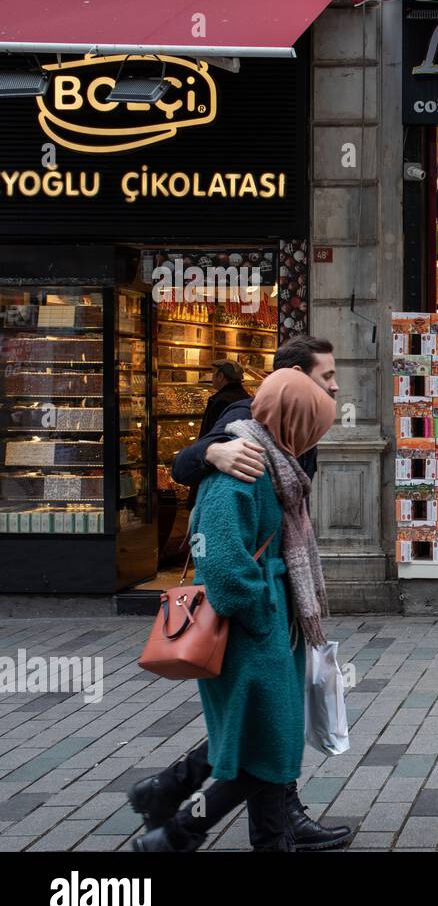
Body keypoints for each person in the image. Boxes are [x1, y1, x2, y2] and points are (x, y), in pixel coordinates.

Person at [131, 335, 350, 851]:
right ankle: (181, 831)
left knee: (263, 740)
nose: (335, 388)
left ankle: (250, 829)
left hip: (274, 627)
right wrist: (265, 612)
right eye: (326, 381)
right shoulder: (244, 465)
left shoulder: (280, 454)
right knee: (264, 746)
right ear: (295, 402)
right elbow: (225, 563)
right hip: (256, 632)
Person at [173, 335, 339, 488]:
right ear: (297, 374)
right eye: (326, 376)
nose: (335, 386)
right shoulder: (247, 416)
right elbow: (181, 468)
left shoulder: (304, 426)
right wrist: (211, 452)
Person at [200, 360, 250, 438]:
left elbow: (213, 436)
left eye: (213, 373)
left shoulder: (221, 402)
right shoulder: (246, 397)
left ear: (220, 376)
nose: (212, 377)